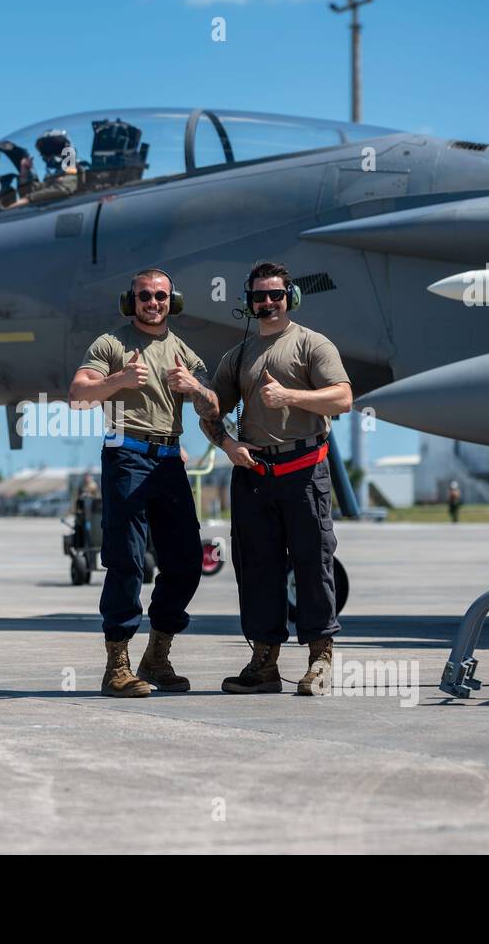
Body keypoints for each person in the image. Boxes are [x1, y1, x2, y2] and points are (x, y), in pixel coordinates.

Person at [198, 262, 352, 695]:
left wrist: (290, 396)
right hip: (254, 477)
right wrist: (225, 442)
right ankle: (264, 663)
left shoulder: (311, 344)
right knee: (257, 569)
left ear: (291, 298)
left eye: (275, 295)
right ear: (248, 303)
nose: (268, 303)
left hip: (303, 473)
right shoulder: (239, 355)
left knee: (312, 564)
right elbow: (213, 412)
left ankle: (319, 659)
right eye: (259, 297)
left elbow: (342, 398)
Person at [68, 268, 216, 697]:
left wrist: (195, 388)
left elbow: (212, 406)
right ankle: (117, 666)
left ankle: (157, 656)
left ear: (173, 301)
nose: (153, 303)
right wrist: (118, 380)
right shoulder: (111, 344)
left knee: (187, 562)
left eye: (161, 297)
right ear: (130, 301)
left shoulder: (183, 351)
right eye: (145, 296)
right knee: (128, 560)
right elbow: (78, 394)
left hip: (169, 460)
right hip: (126, 456)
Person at [11, 130, 79, 206]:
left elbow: (65, 188)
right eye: (47, 150)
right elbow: (33, 192)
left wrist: (28, 199)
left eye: (56, 148)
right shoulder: (51, 177)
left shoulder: (76, 169)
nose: (51, 153)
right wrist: (24, 172)